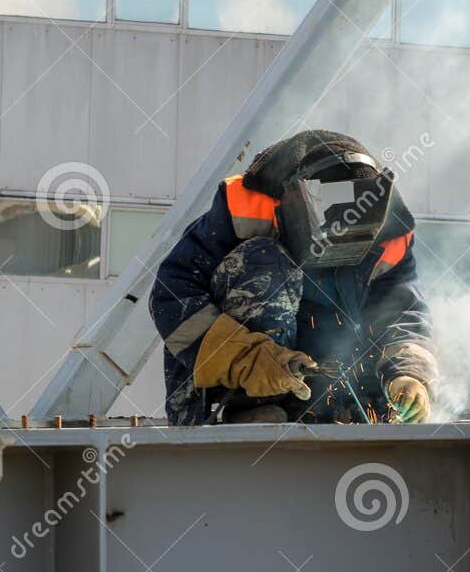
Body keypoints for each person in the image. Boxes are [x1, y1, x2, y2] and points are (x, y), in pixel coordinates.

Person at [150, 130, 439, 425]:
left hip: (324, 384)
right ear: (295, 202)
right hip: (235, 384)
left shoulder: (389, 230)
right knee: (263, 259)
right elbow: (170, 296)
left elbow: (404, 313)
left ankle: (342, 407)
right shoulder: (245, 207)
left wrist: (409, 374)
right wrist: (247, 359)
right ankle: (249, 405)